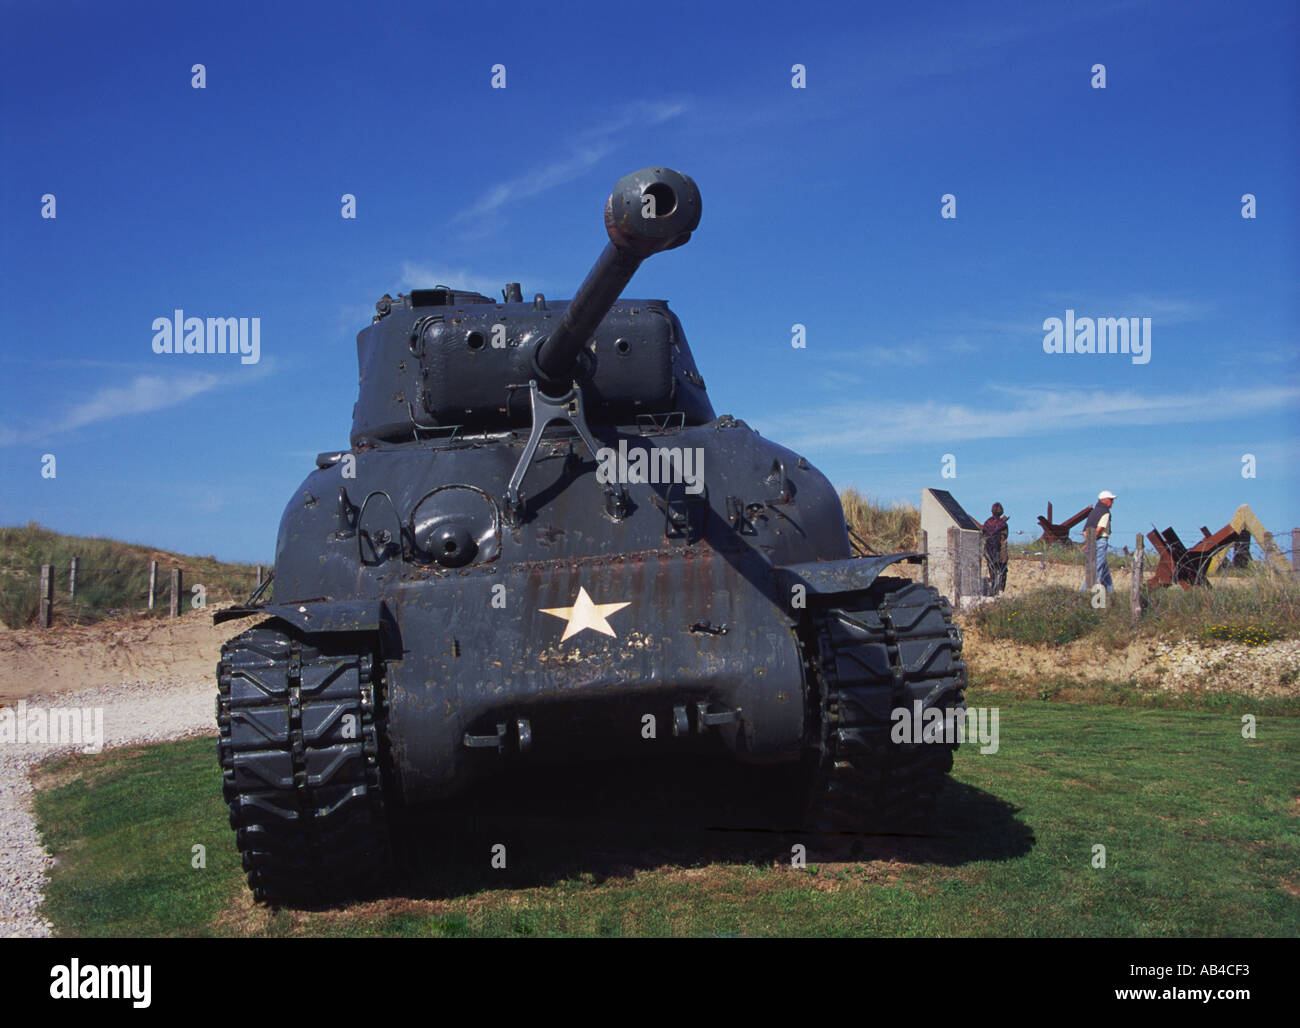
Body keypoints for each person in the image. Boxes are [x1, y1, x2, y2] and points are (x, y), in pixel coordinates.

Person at [1083, 490, 1116, 590]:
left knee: (1103, 570)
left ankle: (1111, 593)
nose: (1112, 502)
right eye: (1111, 499)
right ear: (1104, 500)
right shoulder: (1105, 512)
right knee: (1097, 569)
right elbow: (1099, 529)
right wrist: (1090, 543)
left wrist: (1088, 543)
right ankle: (1088, 592)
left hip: (1092, 541)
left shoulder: (1093, 512)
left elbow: (1085, 531)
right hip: (1100, 541)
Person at [982, 502, 1009, 595]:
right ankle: (1001, 590)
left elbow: (984, 534)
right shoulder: (1003, 524)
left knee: (992, 570)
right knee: (1003, 571)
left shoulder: (987, 522)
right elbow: (1005, 537)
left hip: (989, 550)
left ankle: (993, 589)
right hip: (1001, 551)